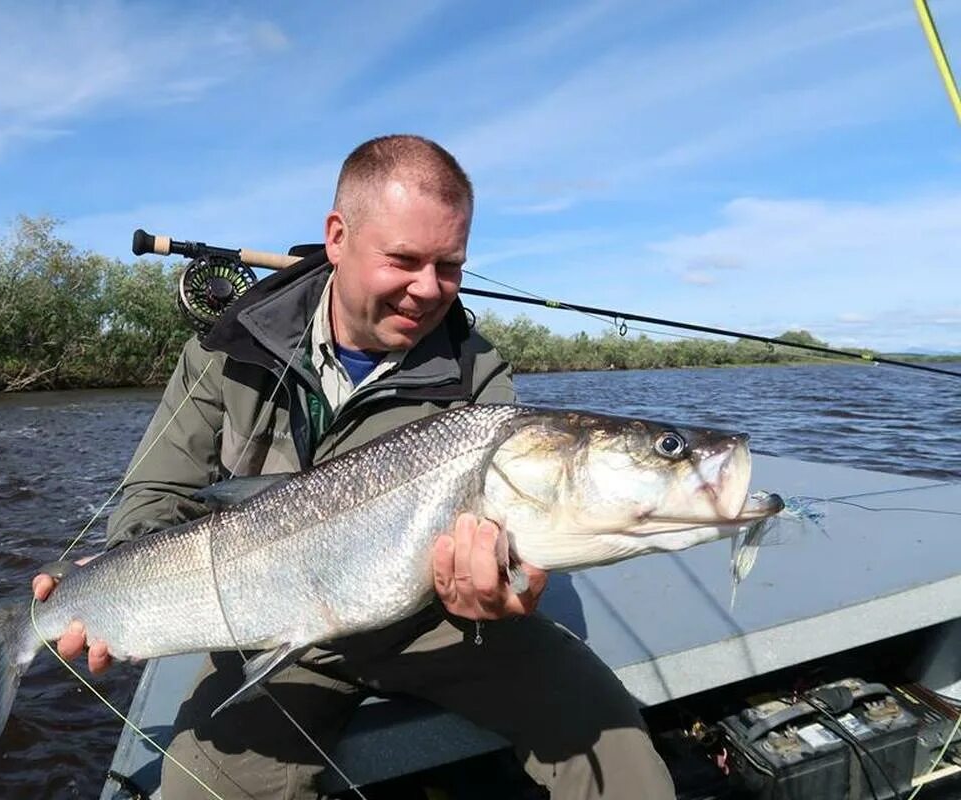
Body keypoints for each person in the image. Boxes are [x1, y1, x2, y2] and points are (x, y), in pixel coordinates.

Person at [33, 135, 675, 799]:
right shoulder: (226, 350)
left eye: (450, 266)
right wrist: (117, 581)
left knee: (618, 755)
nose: (429, 290)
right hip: (274, 637)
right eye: (404, 260)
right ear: (337, 237)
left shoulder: (478, 372)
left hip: (440, 626)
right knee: (199, 790)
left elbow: (519, 534)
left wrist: (506, 586)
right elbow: (153, 496)